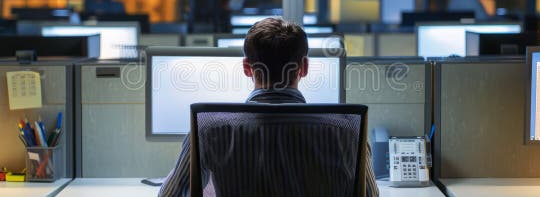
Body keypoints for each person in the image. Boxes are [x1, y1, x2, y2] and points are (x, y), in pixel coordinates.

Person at [159, 17, 378, 197]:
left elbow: (170, 195)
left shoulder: (208, 129)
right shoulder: (349, 131)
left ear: (246, 68)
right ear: (304, 68)